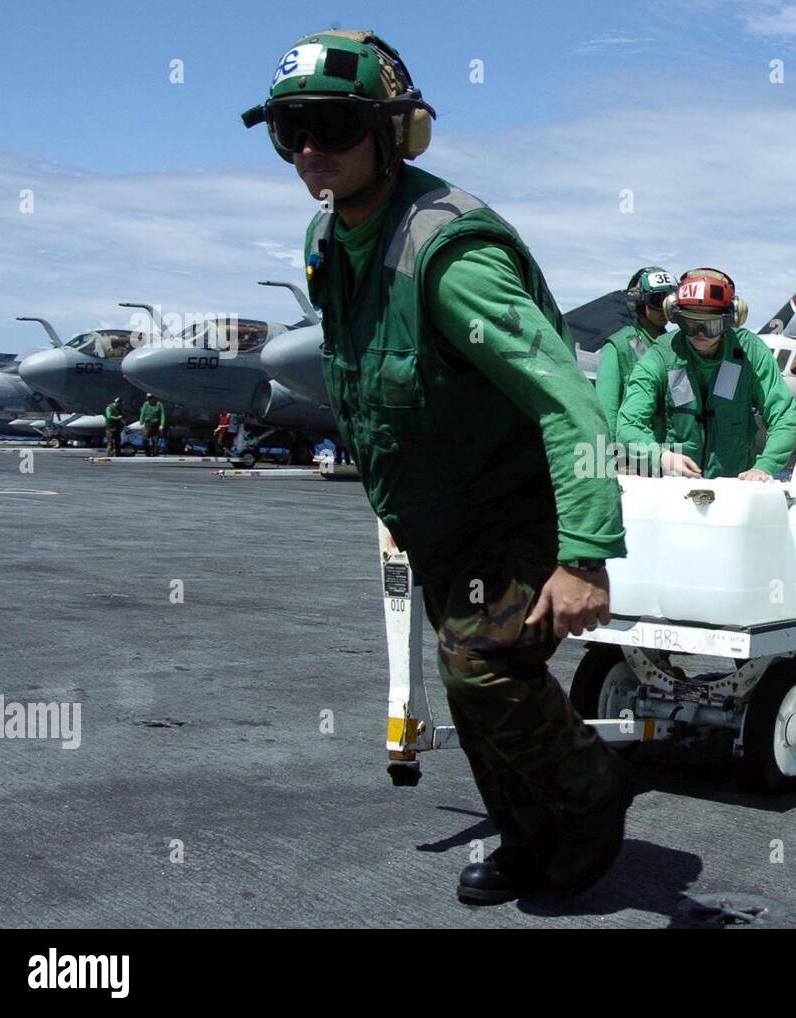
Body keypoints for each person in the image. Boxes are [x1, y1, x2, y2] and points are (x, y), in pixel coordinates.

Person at [243, 29, 632, 904]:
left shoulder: (448, 255)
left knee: (484, 668)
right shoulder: (329, 240)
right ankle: (528, 840)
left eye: (333, 127)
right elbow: (371, 377)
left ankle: (591, 794)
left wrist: (583, 556)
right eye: (289, 131)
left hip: (516, 505)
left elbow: (567, 401)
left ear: (393, 132)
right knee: (476, 688)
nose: (310, 152)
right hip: (443, 515)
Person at [616, 267, 796, 479]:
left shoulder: (751, 353)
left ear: (731, 319)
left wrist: (765, 466)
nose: (699, 334)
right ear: (673, 315)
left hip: (735, 488)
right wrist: (660, 457)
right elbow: (629, 423)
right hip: (674, 486)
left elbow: (784, 416)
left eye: (710, 325)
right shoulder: (662, 355)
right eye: (690, 323)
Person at [596, 267, 675, 443]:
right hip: (633, 455)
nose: (664, 307)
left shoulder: (676, 347)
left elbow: (683, 402)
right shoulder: (618, 346)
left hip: (671, 454)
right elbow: (606, 410)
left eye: (669, 300)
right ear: (638, 302)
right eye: (657, 300)